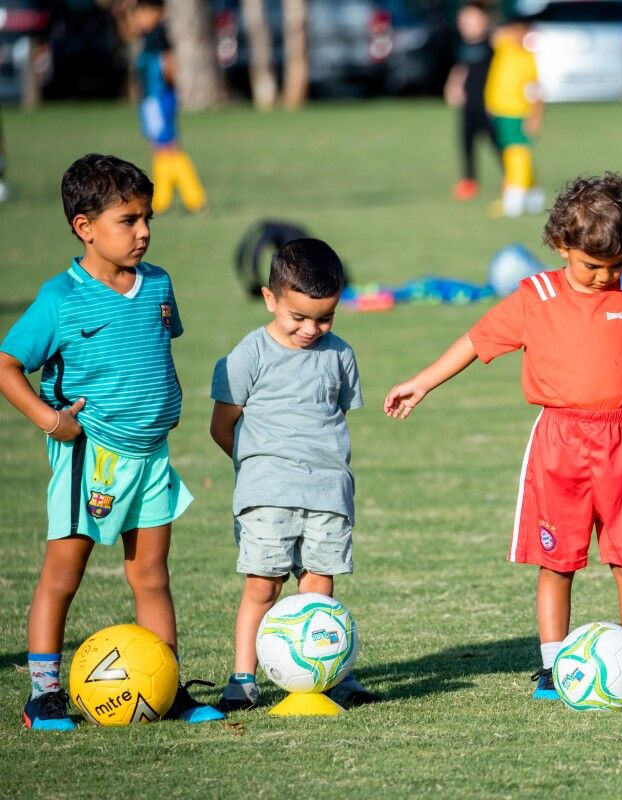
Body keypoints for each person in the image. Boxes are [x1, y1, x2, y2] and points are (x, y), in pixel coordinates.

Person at [384, 174, 622, 701]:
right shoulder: (534, 296)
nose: (606, 277)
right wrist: (421, 383)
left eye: (615, 265)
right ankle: (552, 666)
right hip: (558, 444)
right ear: (562, 246)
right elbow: (476, 340)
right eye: (591, 266)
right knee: (556, 562)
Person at [0, 154, 223, 729]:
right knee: (62, 575)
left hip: (152, 456)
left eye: (147, 218)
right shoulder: (61, 298)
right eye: (129, 220)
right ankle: (44, 694)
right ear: (85, 227)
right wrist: (52, 423)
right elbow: (6, 366)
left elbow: (157, 345)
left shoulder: (158, 284)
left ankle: (166, 688)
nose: (144, 231)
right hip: (91, 456)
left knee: (151, 575)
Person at [210, 238, 378, 712]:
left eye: (324, 318)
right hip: (267, 493)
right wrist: (260, 471)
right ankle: (243, 679)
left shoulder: (340, 354)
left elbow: (334, 417)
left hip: (328, 493)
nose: (311, 329)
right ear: (270, 299)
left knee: (319, 587)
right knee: (263, 584)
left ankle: (328, 675)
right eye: (298, 318)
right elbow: (222, 427)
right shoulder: (247, 355)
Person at [130, 0, 207, 214]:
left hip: (158, 98)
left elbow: (169, 65)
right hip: (151, 99)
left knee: (168, 147)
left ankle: (193, 198)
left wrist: (169, 90)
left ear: (159, 13)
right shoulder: (146, 36)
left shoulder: (159, 37)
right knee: (159, 148)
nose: (141, 17)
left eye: (146, 12)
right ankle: (162, 198)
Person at [484, 14, 544, 218]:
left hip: (518, 113)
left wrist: (535, 116)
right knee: (514, 155)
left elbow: (535, 91)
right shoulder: (505, 48)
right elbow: (494, 35)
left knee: (517, 155)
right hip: (501, 111)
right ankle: (534, 197)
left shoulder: (527, 59)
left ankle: (514, 200)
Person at [446, 1, 502, 201]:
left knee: (497, 142)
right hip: (469, 102)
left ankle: (511, 177)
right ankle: (469, 181)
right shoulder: (462, 45)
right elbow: (461, 68)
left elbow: (501, 70)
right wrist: (453, 86)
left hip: (488, 102)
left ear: (484, 21)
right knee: (466, 142)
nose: (467, 24)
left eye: (472, 19)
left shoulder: (492, 43)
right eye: (464, 20)